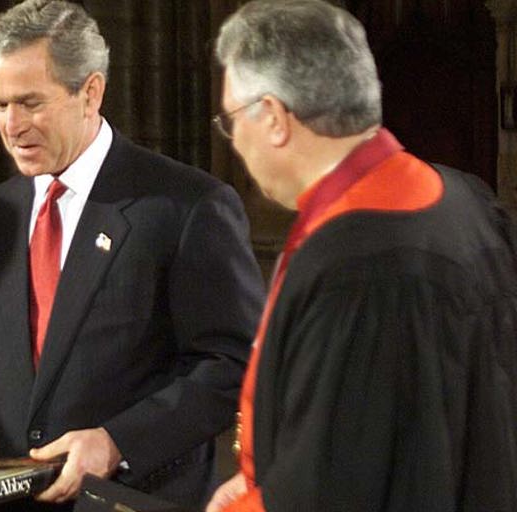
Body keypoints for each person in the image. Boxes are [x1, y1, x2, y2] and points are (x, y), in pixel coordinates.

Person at [0, 1, 266, 510]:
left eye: (31, 103)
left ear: (90, 92)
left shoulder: (187, 206)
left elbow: (230, 364)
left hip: (132, 497)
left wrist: (118, 441)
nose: (12, 125)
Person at [206, 1, 517, 511]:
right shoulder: (466, 200)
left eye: (232, 119)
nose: (234, 140)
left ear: (276, 118)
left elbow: (336, 487)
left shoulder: (357, 268)